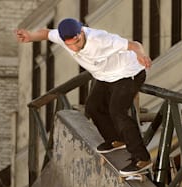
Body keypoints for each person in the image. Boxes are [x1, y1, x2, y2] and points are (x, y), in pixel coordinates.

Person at [15, 18, 153, 176]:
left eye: (76, 42)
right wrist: (30, 36)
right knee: (93, 107)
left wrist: (142, 55)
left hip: (129, 73)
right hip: (105, 76)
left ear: (81, 33)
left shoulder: (100, 39)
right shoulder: (62, 37)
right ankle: (115, 140)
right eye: (69, 45)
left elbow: (134, 45)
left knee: (117, 112)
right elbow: (46, 33)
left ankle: (142, 158)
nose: (74, 48)